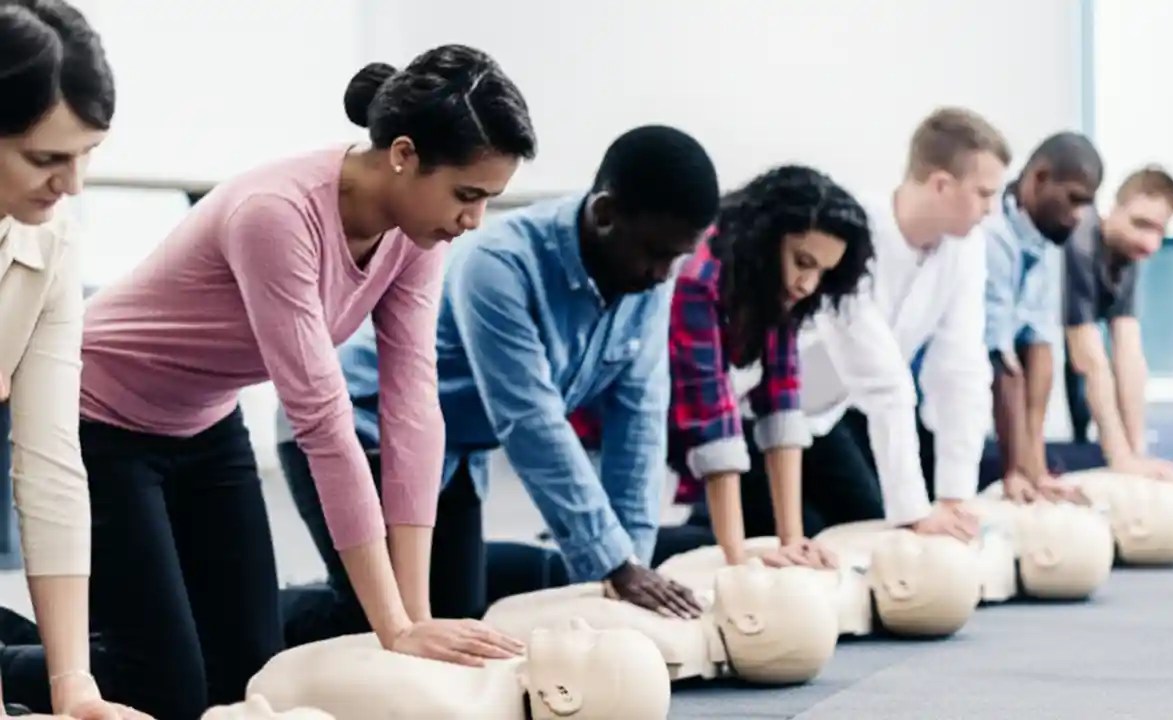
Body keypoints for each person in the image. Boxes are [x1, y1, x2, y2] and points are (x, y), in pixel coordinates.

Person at [0, 44, 537, 720]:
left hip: (205, 421)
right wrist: (393, 629)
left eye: (489, 200)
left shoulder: (416, 233)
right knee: (162, 690)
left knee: (248, 676)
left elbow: (412, 409)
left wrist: (417, 616)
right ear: (403, 154)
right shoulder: (277, 212)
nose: (474, 220)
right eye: (467, 195)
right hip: (99, 414)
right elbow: (323, 422)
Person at [278, 124, 720, 646]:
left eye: (678, 258)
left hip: (457, 450)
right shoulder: (501, 264)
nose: (664, 275)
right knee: (376, 624)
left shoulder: (644, 279)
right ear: (604, 215)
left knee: (458, 615)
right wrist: (612, 561)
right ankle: (270, 606)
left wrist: (631, 566)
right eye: (656, 254)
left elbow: (639, 424)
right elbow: (531, 424)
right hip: (359, 426)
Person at [0, 2, 151, 718]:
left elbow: (51, 461)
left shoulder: (51, 240)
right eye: (46, 159)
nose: (75, 184)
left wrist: (73, 686)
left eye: (88, 153)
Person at [786, 107, 1009, 541]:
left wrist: (953, 497)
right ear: (942, 185)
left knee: (913, 514)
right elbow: (884, 378)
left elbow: (960, 366)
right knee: (871, 525)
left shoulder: (966, 247)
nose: (990, 209)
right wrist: (912, 512)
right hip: (789, 416)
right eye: (983, 194)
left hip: (857, 411)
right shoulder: (854, 231)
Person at [651, 165, 874, 568]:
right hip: (628, 427)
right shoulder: (699, 279)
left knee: (806, 526)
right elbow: (710, 418)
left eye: (823, 272)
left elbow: (782, 400)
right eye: (802, 262)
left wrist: (793, 540)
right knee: (634, 552)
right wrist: (738, 560)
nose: (808, 283)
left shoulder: (778, 288)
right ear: (767, 239)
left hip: (692, 429)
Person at [981, 131, 1103, 502]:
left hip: (990, 398)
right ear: (1039, 179)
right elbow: (1000, 359)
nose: (1078, 215)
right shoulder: (991, 235)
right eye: (1073, 199)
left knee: (1080, 462)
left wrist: (1035, 469)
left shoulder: (1047, 239)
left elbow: (1040, 349)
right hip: (933, 410)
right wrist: (1014, 471)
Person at [1062, 166, 1173, 480]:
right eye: (1141, 224)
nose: (1150, 244)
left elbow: (1129, 353)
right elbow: (1088, 358)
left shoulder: (1127, 255)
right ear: (1113, 208)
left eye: (1159, 231)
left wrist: (1137, 453)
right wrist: (1120, 457)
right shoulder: (1080, 240)